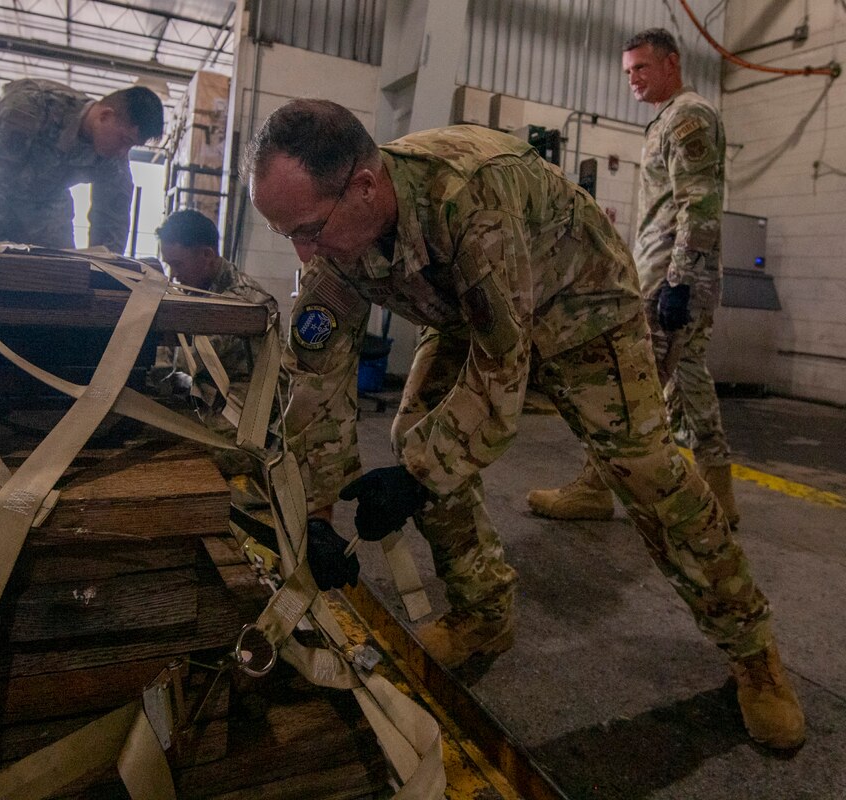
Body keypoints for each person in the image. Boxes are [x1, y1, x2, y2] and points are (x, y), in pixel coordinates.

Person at [244, 98, 805, 749]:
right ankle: (483, 612)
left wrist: (417, 478)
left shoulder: (467, 197)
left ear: (365, 186)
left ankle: (753, 650)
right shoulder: (332, 241)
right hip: (471, 307)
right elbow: (317, 376)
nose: (302, 250)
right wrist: (316, 512)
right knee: (417, 434)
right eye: (287, 232)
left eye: (307, 228)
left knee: (650, 475)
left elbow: (500, 373)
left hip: (582, 300)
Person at [528, 28, 739, 528]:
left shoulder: (687, 117)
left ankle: (596, 487)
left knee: (629, 382)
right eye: (627, 72)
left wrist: (679, 282)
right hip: (667, 272)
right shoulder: (670, 118)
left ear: (671, 63)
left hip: (674, 276)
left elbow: (699, 205)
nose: (633, 80)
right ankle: (716, 497)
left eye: (641, 68)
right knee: (679, 380)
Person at [0, 79, 164, 252]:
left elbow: (112, 219)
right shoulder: (29, 107)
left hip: (42, 199)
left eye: (132, 146)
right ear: (104, 116)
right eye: (124, 141)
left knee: (57, 271)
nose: (124, 152)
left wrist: (105, 274)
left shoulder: (114, 155)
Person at [151, 209, 279, 477]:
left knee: (183, 451)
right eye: (169, 265)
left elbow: (192, 358)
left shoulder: (242, 300)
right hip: (211, 393)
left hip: (247, 411)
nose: (173, 275)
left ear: (207, 256)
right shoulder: (200, 290)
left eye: (179, 264)